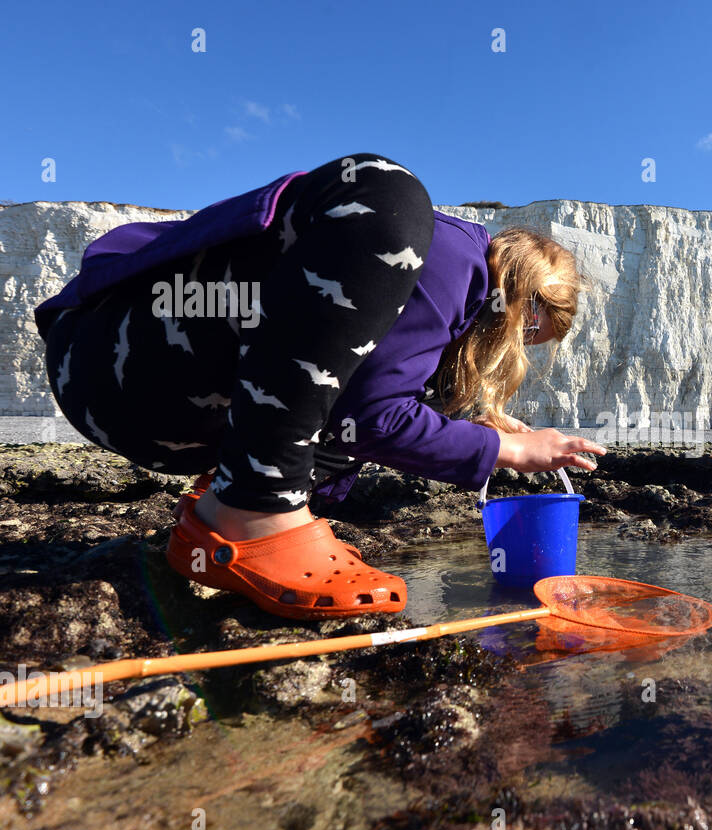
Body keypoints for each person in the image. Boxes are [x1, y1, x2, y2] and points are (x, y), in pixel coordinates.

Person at [32, 151, 607, 620]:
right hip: (107, 346)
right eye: (528, 335)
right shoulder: (454, 254)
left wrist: (467, 427)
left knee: (343, 393)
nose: (514, 350)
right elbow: (377, 418)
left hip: (142, 404)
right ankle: (252, 505)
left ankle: (232, 507)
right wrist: (509, 449)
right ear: (523, 303)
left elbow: (350, 419)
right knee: (391, 192)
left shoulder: (433, 309)